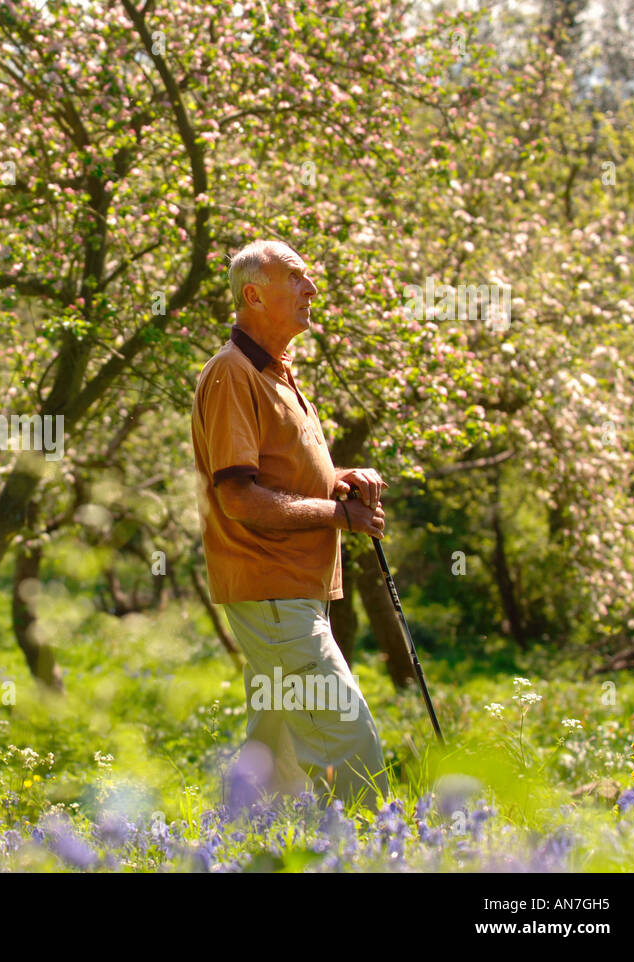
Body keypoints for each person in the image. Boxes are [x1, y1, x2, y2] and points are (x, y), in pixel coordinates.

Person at [191, 239, 391, 807]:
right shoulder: (233, 374)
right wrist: (340, 515)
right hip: (274, 592)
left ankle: (245, 857)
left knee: (271, 771)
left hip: (291, 592)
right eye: (297, 278)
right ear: (253, 295)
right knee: (352, 743)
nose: (311, 289)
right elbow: (240, 499)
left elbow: (287, 476)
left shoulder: (278, 374)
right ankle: (379, 852)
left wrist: (342, 479)